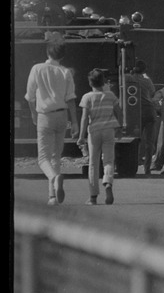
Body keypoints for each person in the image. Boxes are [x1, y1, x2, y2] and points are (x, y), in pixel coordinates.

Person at [25, 38, 79, 205]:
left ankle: (54, 179)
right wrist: (75, 122)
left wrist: (34, 114)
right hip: (62, 115)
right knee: (56, 156)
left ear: (48, 52)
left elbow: (30, 96)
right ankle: (52, 196)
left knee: (43, 157)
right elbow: (71, 99)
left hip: (45, 115)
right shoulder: (66, 72)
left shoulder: (37, 69)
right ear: (62, 56)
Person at [77, 69, 122, 205]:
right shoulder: (110, 95)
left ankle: (93, 197)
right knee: (108, 160)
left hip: (94, 132)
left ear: (90, 82)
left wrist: (81, 136)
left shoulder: (87, 97)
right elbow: (119, 112)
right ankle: (108, 182)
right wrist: (119, 128)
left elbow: (85, 118)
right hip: (109, 130)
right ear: (103, 82)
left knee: (93, 163)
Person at [127, 59, 158, 174]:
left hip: (135, 112)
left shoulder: (129, 78)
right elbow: (152, 93)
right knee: (149, 142)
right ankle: (147, 167)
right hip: (149, 111)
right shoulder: (147, 80)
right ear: (144, 70)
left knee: (134, 140)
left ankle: (133, 163)